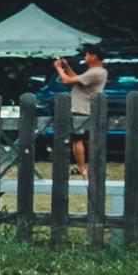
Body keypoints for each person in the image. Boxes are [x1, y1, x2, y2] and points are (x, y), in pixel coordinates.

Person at [53, 44, 109, 176]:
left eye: (87, 55)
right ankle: (82, 166)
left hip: (82, 108)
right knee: (79, 139)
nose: (85, 57)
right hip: (82, 108)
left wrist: (58, 68)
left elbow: (67, 81)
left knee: (77, 139)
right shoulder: (94, 72)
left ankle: (82, 168)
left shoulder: (96, 72)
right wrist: (66, 67)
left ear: (94, 56)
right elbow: (76, 80)